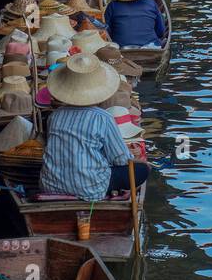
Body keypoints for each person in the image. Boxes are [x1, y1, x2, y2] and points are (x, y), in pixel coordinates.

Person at [41, 53, 148, 200]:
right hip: (90, 188)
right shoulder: (103, 118)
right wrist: (137, 159)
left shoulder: (55, 116)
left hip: (50, 185)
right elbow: (121, 159)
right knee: (142, 169)